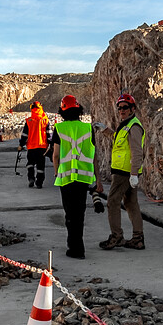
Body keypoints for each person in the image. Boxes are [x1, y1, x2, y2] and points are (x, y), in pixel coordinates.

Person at [50, 95, 98, 258]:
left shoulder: (59, 128)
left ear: (62, 112)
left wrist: (57, 172)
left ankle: (74, 248)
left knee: (70, 214)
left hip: (66, 178)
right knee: (80, 213)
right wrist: (96, 178)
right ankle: (79, 246)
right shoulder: (87, 128)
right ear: (78, 110)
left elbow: (55, 155)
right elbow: (93, 154)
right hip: (84, 178)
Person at [99, 91, 146, 250]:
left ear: (133, 108)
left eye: (125, 107)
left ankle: (116, 236)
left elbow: (137, 151)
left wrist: (133, 174)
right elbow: (118, 141)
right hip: (124, 171)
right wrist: (106, 130)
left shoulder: (134, 126)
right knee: (131, 203)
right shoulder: (126, 125)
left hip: (124, 173)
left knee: (112, 201)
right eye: (119, 108)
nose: (121, 110)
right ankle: (137, 239)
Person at [23, 101, 51, 188]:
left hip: (31, 147)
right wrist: (51, 144)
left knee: (30, 163)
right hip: (42, 147)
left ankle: (31, 178)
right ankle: (39, 182)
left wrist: (21, 144)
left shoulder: (29, 121)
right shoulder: (45, 120)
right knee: (40, 166)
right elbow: (49, 134)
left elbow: (24, 135)